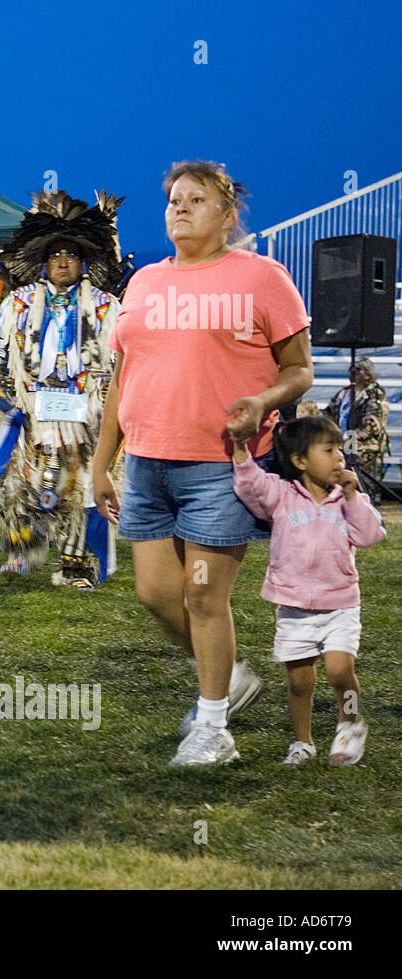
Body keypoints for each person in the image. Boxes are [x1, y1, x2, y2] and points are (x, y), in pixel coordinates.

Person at [91, 160, 314, 766]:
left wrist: (263, 401)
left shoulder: (263, 277)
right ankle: (229, 676)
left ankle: (214, 728)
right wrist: (101, 460)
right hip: (146, 463)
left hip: (223, 463)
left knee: (202, 596)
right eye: (172, 200)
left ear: (226, 214)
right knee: (154, 593)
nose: (179, 209)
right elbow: (123, 375)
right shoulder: (143, 284)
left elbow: (299, 370)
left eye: (196, 199)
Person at [0, 192, 125, 586]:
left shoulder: (106, 306)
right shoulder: (18, 303)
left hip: (85, 409)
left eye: (71, 255)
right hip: (32, 406)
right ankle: (25, 550)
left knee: (80, 485)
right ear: (44, 261)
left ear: (83, 261)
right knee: (27, 481)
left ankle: (76, 565)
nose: (63, 262)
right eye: (55, 255)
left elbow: (123, 357)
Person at [230, 415, 384, 765]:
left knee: (339, 672)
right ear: (300, 461)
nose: (339, 458)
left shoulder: (346, 501)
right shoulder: (282, 496)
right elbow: (251, 483)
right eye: (329, 450)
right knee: (300, 682)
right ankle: (303, 742)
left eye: (341, 450)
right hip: (294, 606)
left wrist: (353, 496)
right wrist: (240, 448)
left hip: (340, 606)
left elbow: (370, 535)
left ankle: (350, 723)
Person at [325, 357, 390, 499]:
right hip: (343, 441)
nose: (353, 372)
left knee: (364, 487)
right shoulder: (344, 392)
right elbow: (329, 413)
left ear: (367, 373)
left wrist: (348, 438)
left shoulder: (375, 395)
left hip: (364, 447)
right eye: (352, 369)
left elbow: (372, 426)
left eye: (358, 369)